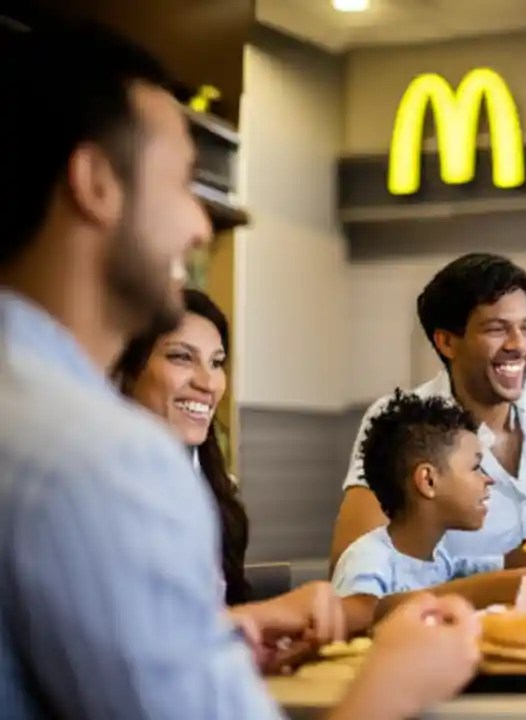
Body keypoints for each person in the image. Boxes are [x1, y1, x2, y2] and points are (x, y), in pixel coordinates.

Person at [0, 19, 477, 719]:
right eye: (181, 182)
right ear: (96, 182)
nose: (201, 225)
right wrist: (400, 680)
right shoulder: (103, 458)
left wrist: (215, 633)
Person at [330, 253, 526, 570]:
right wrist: (504, 569)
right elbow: (351, 568)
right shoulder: (406, 422)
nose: (519, 344)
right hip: (460, 617)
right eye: (497, 329)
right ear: (447, 342)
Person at [333, 391, 526, 630]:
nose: (488, 480)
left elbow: (506, 563)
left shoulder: (439, 559)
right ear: (428, 481)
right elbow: (361, 617)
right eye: (476, 467)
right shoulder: (368, 558)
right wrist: (487, 589)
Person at [116, 288, 251, 605]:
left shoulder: (214, 487)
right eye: (181, 357)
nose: (208, 383)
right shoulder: (96, 487)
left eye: (217, 363)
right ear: (128, 369)